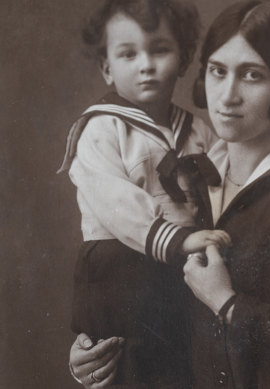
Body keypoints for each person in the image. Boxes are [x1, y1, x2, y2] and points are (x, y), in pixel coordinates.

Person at [68, 1, 270, 388]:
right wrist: (100, 351)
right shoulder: (195, 179)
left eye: (252, 75)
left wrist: (232, 306)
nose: (227, 96)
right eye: (218, 72)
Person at [59, 0, 231, 387]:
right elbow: (115, 202)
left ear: (184, 60)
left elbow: (227, 182)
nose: (146, 64)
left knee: (181, 364)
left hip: (176, 268)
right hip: (119, 269)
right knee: (128, 367)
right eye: (128, 54)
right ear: (107, 67)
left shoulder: (198, 130)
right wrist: (178, 238)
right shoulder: (100, 130)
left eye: (160, 50)